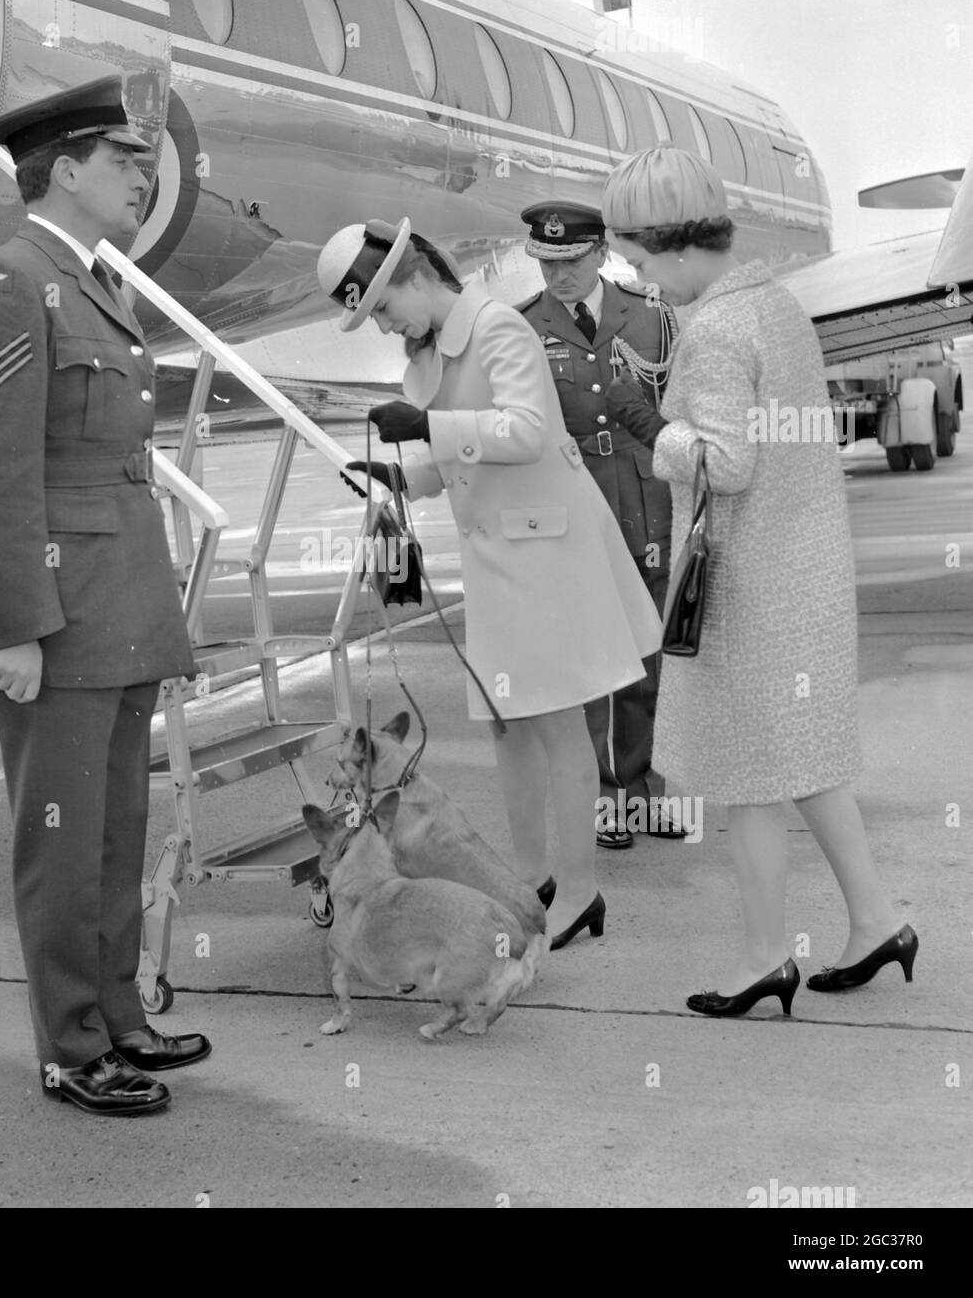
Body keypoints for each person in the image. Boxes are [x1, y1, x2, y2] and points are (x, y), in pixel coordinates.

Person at [0, 75, 211, 1114]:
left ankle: (117, 1015)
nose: (144, 180)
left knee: (112, 830)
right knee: (60, 837)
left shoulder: (93, 279)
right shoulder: (10, 284)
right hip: (52, 614)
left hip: (118, 599)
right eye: (125, 163)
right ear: (64, 172)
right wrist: (12, 627)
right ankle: (69, 1044)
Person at [600, 143, 918, 1016]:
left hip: (748, 580)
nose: (637, 276)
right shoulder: (774, 306)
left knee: (746, 779)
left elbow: (725, 464)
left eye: (635, 258)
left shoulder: (711, 328)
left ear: (669, 245)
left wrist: (646, 428)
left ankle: (763, 956)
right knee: (803, 763)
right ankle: (874, 922)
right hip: (805, 567)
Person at [317, 218, 663, 949]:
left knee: (560, 724)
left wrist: (427, 430)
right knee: (510, 725)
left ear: (412, 279)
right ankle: (530, 878)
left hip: (547, 552)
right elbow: (464, 460)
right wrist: (404, 474)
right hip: (503, 556)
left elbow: (527, 431)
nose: (383, 326)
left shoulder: (497, 327)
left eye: (381, 309)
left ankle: (579, 890)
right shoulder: (434, 351)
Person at [516, 201, 685, 847]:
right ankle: (605, 797)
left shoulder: (651, 316)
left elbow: (677, 408)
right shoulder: (521, 327)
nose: (557, 274)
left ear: (600, 251)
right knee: (593, 651)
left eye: (571, 261)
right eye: (546, 261)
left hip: (647, 497)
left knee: (650, 650)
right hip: (575, 500)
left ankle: (644, 791)